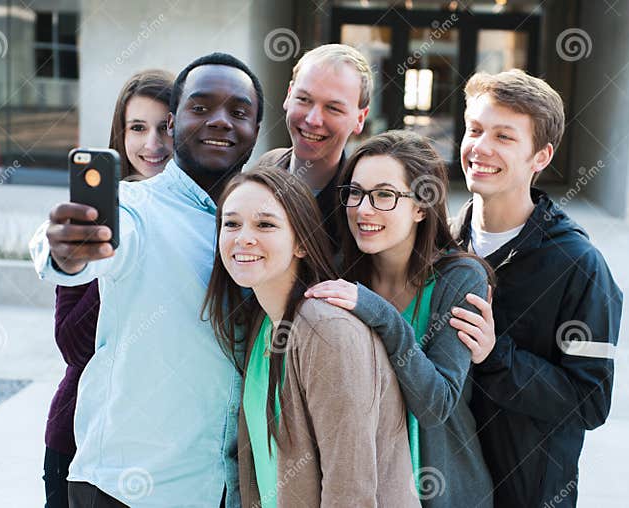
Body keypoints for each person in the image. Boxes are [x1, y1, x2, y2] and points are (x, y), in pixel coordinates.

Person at [29, 53, 263, 507]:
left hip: (223, 491)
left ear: (255, 129)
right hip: (126, 491)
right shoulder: (134, 206)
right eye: (201, 107)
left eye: (238, 112)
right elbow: (78, 244)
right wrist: (64, 251)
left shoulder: (256, 221)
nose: (220, 121)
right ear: (173, 123)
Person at [449, 69, 623, 507]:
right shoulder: (442, 244)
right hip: (443, 488)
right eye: (475, 129)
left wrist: (496, 356)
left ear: (540, 156)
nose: (481, 147)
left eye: (504, 137)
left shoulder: (579, 265)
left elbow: (590, 401)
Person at [202, 166, 419, 507]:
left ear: (302, 243)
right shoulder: (262, 324)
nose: (243, 237)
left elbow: (349, 486)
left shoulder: (327, 329)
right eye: (231, 224)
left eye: (265, 225)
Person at [304, 130, 496, 507]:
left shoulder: (460, 278)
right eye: (355, 192)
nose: (363, 209)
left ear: (421, 207)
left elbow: (436, 405)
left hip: (443, 495)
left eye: (384, 195)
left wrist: (381, 315)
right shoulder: (339, 277)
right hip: (367, 490)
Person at [43, 69, 174, 508]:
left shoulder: (203, 216)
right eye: (137, 127)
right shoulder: (92, 218)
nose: (152, 144)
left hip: (164, 449)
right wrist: (118, 258)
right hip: (78, 439)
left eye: (166, 128)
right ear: (121, 134)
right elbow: (73, 344)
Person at [256, 43, 371, 251]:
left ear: (360, 118)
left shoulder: (362, 205)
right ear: (289, 95)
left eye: (333, 108)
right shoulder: (264, 169)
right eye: (304, 99)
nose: (313, 119)